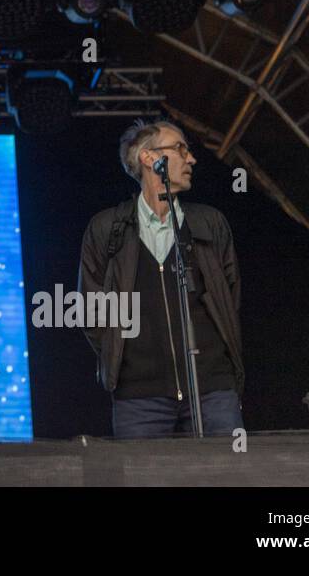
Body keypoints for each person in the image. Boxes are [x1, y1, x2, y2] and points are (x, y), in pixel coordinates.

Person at [78, 118, 244, 438]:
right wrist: (126, 363)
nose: (191, 158)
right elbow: (91, 308)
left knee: (227, 476)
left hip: (213, 392)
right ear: (149, 158)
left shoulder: (210, 223)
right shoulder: (107, 228)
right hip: (138, 398)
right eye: (180, 149)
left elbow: (229, 296)